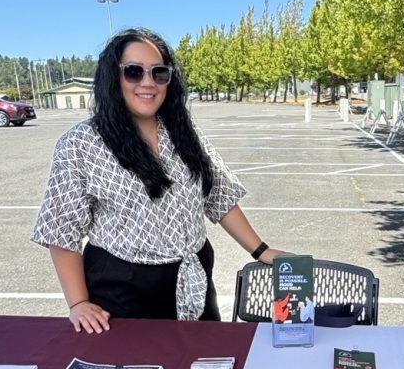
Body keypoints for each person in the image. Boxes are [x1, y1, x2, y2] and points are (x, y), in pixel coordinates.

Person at [33, 27, 285, 332]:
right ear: (113, 78)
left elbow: (218, 195)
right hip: (122, 291)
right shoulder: (81, 144)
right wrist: (78, 303)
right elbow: (61, 230)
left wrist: (260, 250)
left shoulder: (183, 133)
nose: (148, 83)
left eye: (159, 73)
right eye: (134, 72)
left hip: (191, 280)